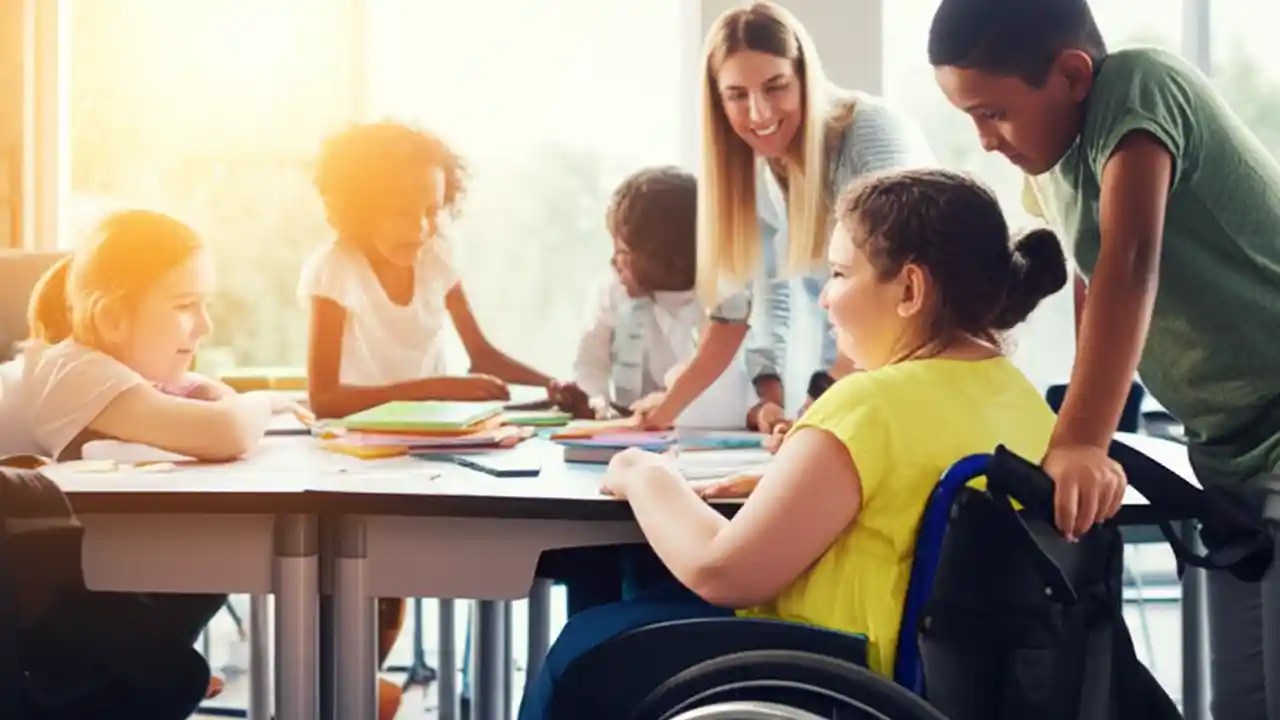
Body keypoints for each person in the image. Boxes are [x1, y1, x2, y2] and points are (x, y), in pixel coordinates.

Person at [518, 168, 1068, 718]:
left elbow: (721, 572)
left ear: (910, 289)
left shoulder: (869, 403)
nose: (825, 298)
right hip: (949, 691)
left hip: (832, 677)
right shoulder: (1025, 404)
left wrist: (642, 471)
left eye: (838, 273)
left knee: (584, 645)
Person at [929, 2, 1280, 716]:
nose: (985, 139)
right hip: (1226, 447)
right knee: (1239, 702)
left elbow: (1129, 259)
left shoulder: (1142, 85)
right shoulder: (1053, 159)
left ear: (1071, 74)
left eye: (993, 112)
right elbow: (1091, 276)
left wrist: (1084, 438)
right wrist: (1090, 427)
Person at [633, 0, 933, 431]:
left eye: (776, 86)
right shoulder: (759, 176)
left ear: (804, 78)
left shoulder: (870, 134)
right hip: (861, 377)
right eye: (737, 95)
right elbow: (738, 312)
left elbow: (893, 283)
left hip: (921, 366)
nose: (759, 113)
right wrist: (668, 410)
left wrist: (824, 394)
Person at [300, 121, 563, 421]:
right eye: (402, 213)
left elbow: (482, 356)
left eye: (431, 211)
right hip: (357, 442)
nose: (421, 229)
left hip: (433, 434)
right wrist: (437, 389)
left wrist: (555, 386)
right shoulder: (335, 269)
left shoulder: (436, 257)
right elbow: (324, 400)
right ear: (360, 209)